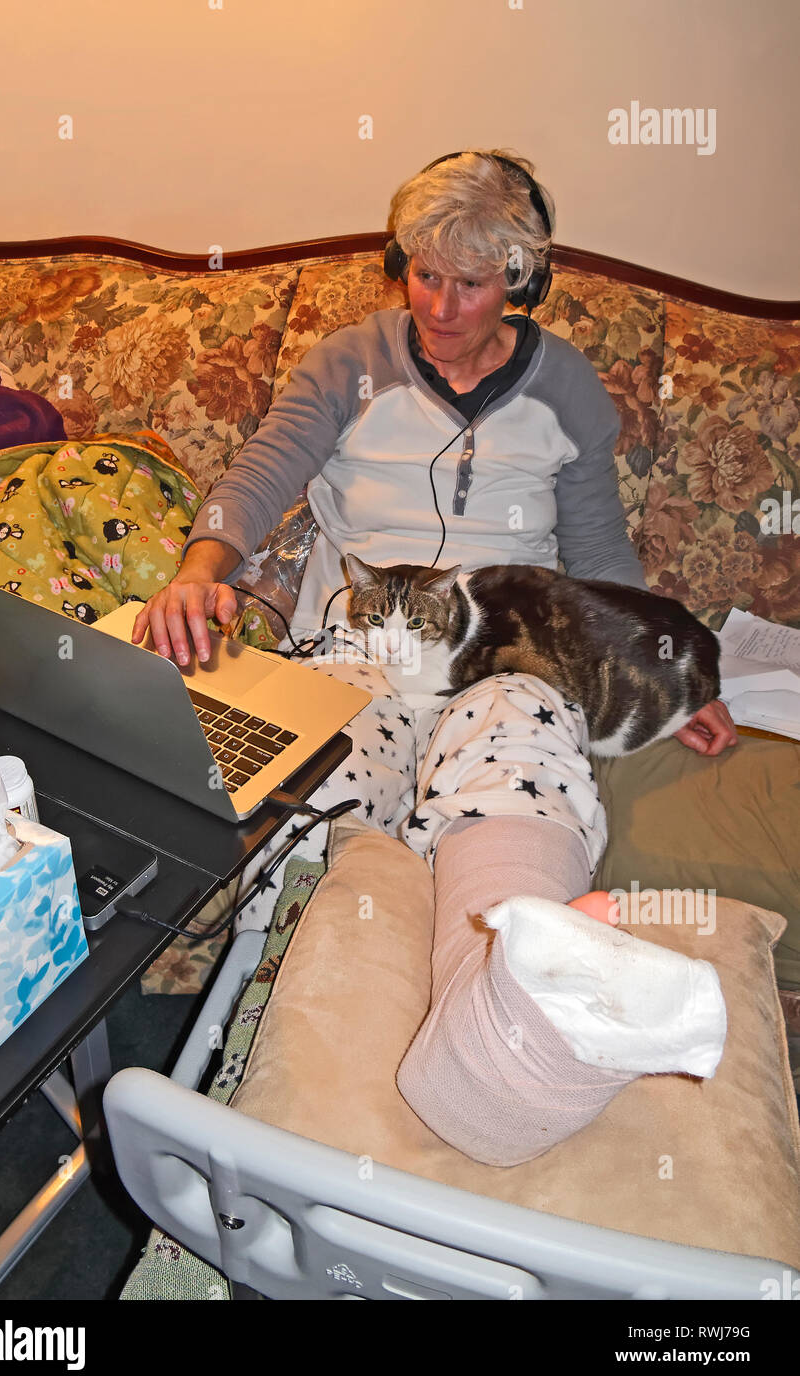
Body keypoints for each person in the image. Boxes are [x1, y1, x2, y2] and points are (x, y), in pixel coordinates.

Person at [132, 151, 736, 1162]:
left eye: (470, 281)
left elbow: (596, 553)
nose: (440, 304)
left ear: (521, 281)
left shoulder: (567, 390)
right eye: (420, 273)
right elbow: (260, 470)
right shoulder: (345, 360)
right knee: (318, 789)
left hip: (507, 654)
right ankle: (333, 1065)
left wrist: (670, 672)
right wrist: (202, 568)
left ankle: (508, 1041)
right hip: (363, 647)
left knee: (518, 742)